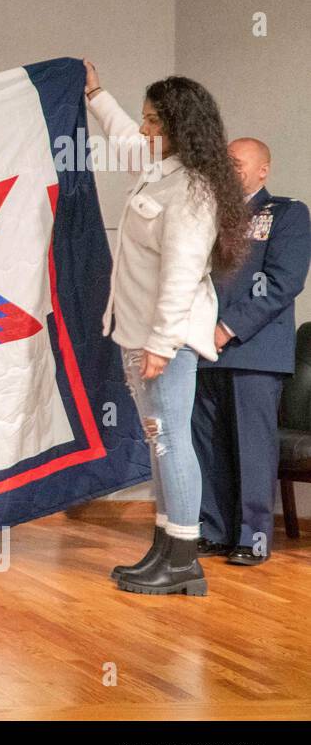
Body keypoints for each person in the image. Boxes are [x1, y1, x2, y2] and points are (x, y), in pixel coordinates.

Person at [84, 62, 250, 596]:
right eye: (145, 120)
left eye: (155, 122)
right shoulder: (162, 169)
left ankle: (183, 559)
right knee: (161, 443)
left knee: (172, 440)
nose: (146, 131)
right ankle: (164, 546)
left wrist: (160, 344)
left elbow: (180, 276)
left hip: (166, 340)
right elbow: (127, 142)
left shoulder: (193, 191)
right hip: (139, 333)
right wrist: (96, 94)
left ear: (180, 127)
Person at [193, 138, 311, 565]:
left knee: (252, 448)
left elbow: (283, 282)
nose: (228, 168)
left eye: (238, 162)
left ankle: (253, 538)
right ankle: (215, 531)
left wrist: (226, 328)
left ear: (263, 169)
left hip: (253, 350)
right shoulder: (206, 215)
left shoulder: (286, 213)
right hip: (202, 349)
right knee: (207, 445)